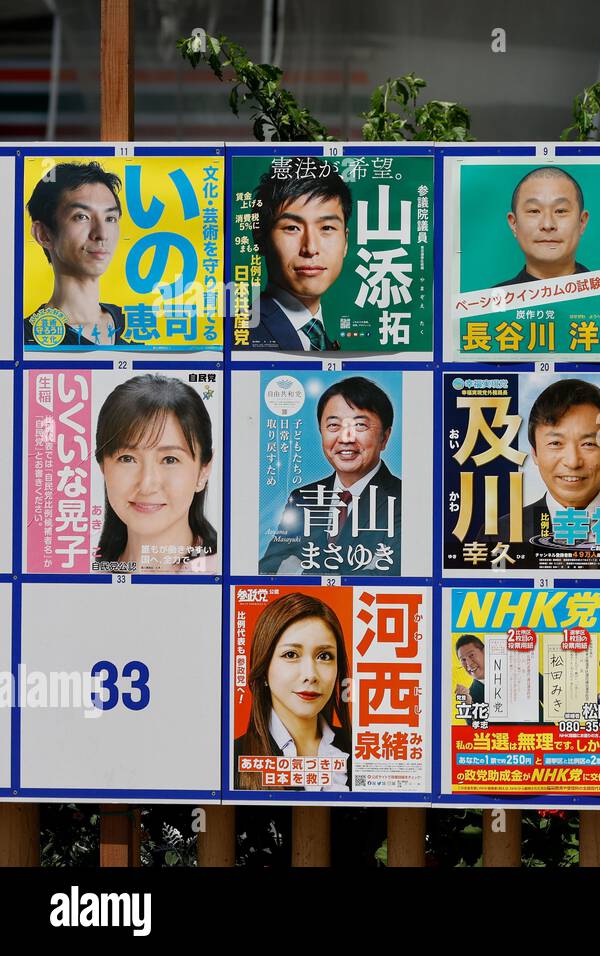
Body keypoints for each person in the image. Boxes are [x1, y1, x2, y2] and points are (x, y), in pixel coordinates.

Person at [259, 376, 402, 575]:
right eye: (333, 426)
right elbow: (269, 570)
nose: (345, 438)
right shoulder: (302, 498)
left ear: (384, 437)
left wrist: (299, 572)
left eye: (360, 425)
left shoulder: (403, 499)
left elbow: (390, 573)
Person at [92, 374, 217, 573]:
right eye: (127, 458)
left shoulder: (224, 571)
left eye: (170, 460)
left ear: (204, 470)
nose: (147, 484)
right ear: (103, 466)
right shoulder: (83, 575)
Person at [235, 592, 351, 792]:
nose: (310, 674)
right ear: (263, 669)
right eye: (291, 654)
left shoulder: (362, 752)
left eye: (324, 656)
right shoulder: (232, 757)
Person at [520, 379, 600, 546]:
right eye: (556, 443)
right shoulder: (499, 533)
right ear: (535, 454)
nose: (573, 462)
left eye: (588, 444)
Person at [247, 166, 352, 350]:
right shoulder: (239, 334)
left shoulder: (326, 342)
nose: (310, 248)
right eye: (292, 228)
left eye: (327, 228)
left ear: (345, 242)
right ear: (260, 238)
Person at [24, 162, 125, 348]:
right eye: (81, 217)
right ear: (43, 234)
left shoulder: (131, 330)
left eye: (110, 218)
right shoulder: (25, 340)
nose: (101, 234)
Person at [495, 167, 590, 286]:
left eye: (560, 211)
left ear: (582, 222)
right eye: (534, 211)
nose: (547, 225)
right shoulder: (492, 302)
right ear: (514, 223)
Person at [453, 635, 486, 707]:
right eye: (463, 660)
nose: (469, 664)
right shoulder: (471, 695)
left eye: (471, 655)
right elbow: (471, 717)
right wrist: (468, 703)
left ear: (484, 652)